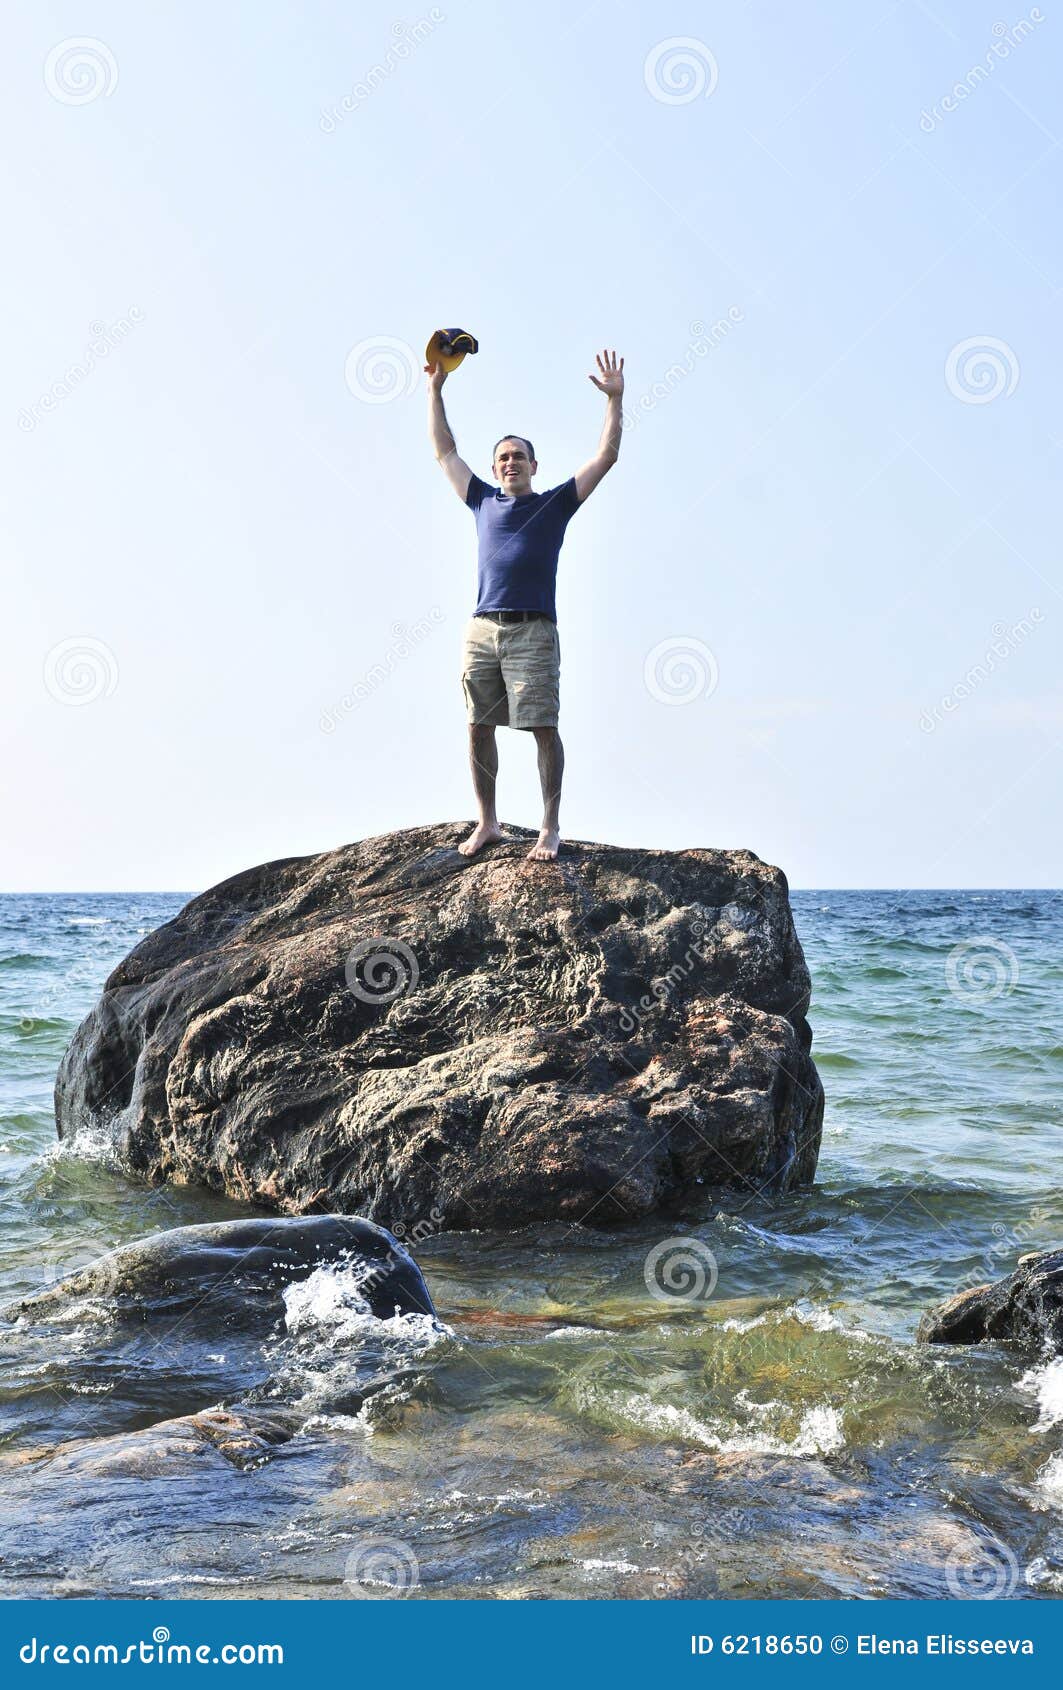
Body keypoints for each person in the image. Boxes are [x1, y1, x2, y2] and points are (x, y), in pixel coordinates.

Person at [427, 348, 625, 861]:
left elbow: (605, 458)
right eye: (503, 458)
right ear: (495, 469)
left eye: (518, 456)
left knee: (543, 728)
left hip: (534, 630)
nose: (510, 462)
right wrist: (434, 390)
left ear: (534, 465)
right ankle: (488, 822)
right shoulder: (481, 500)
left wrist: (614, 400)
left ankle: (549, 828)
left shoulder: (555, 504)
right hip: (482, 628)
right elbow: (445, 452)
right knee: (477, 725)